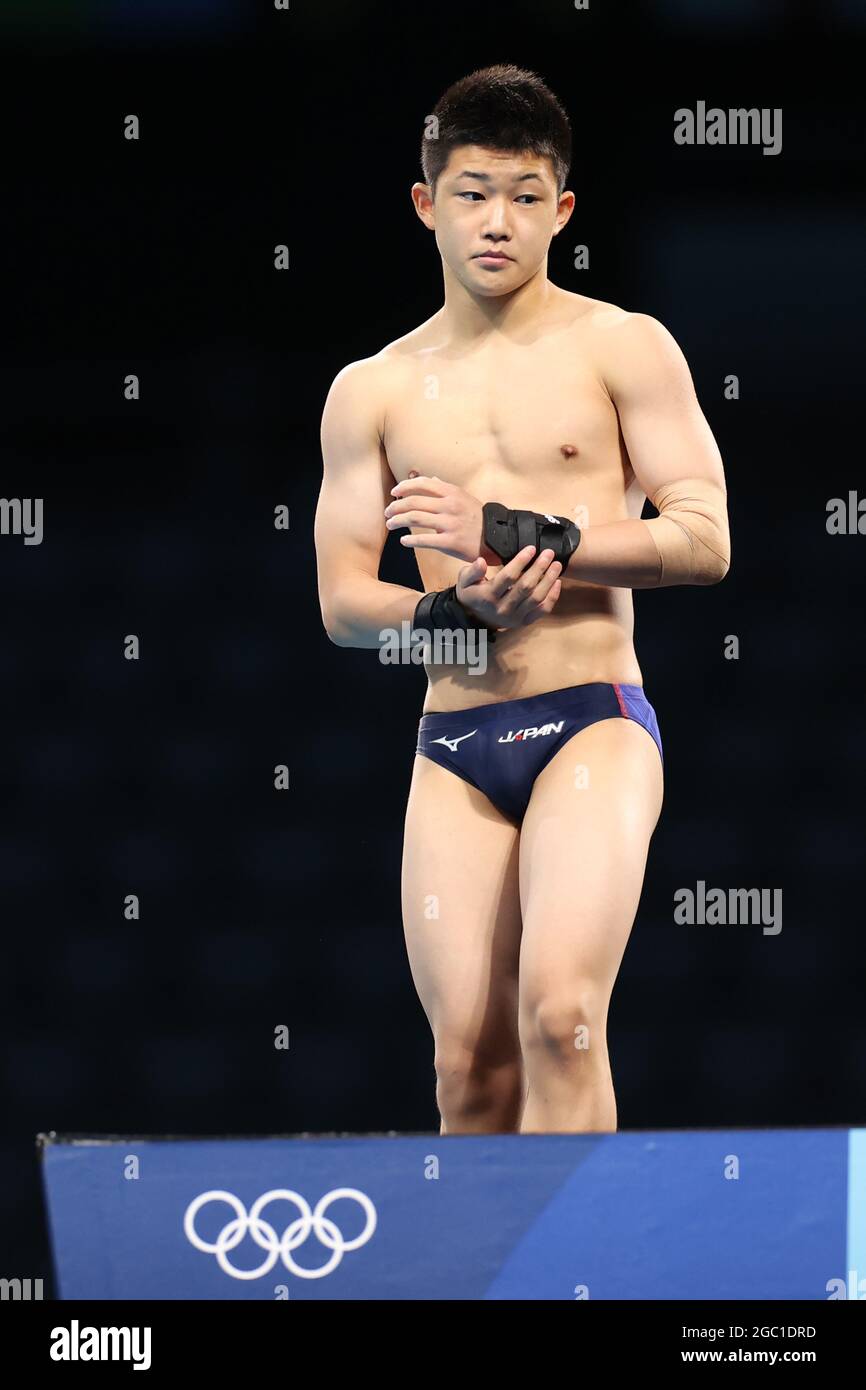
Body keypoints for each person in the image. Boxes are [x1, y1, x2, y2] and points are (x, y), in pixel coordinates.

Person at [314, 64, 730, 1136]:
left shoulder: (621, 344)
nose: (496, 222)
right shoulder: (373, 387)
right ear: (426, 204)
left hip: (589, 718)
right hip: (452, 741)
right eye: (471, 193)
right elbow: (343, 601)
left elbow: (701, 537)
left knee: (557, 1018)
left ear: (562, 210)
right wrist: (452, 616)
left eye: (524, 196)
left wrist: (512, 534)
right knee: (468, 1068)